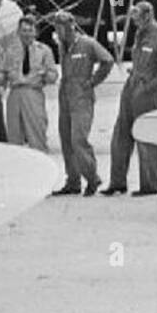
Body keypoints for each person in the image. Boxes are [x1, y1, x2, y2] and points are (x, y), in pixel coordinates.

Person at [103, 1, 157, 197]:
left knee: (146, 136)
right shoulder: (140, 34)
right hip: (131, 86)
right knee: (120, 135)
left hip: (148, 92)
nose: (134, 22)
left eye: (137, 18)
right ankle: (117, 182)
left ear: (148, 15)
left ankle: (150, 185)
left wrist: (148, 87)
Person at [49, 11, 113, 196]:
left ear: (70, 26)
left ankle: (92, 178)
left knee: (78, 139)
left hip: (82, 96)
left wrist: (93, 81)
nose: (58, 30)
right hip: (65, 95)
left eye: (61, 26)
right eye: (56, 26)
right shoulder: (62, 45)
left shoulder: (87, 43)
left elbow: (107, 61)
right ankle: (73, 181)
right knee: (66, 140)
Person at [3, 14, 57, 152]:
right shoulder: (10, 51)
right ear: (18, 32)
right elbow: (3, 73)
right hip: (15, 93)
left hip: (33, 93)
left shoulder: (44, 51)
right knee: (14, 136)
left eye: (30, 30)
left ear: (35, 32)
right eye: (24, 30)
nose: (27, 34)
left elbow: (53, 75)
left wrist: (45, 74)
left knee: (37, 132)